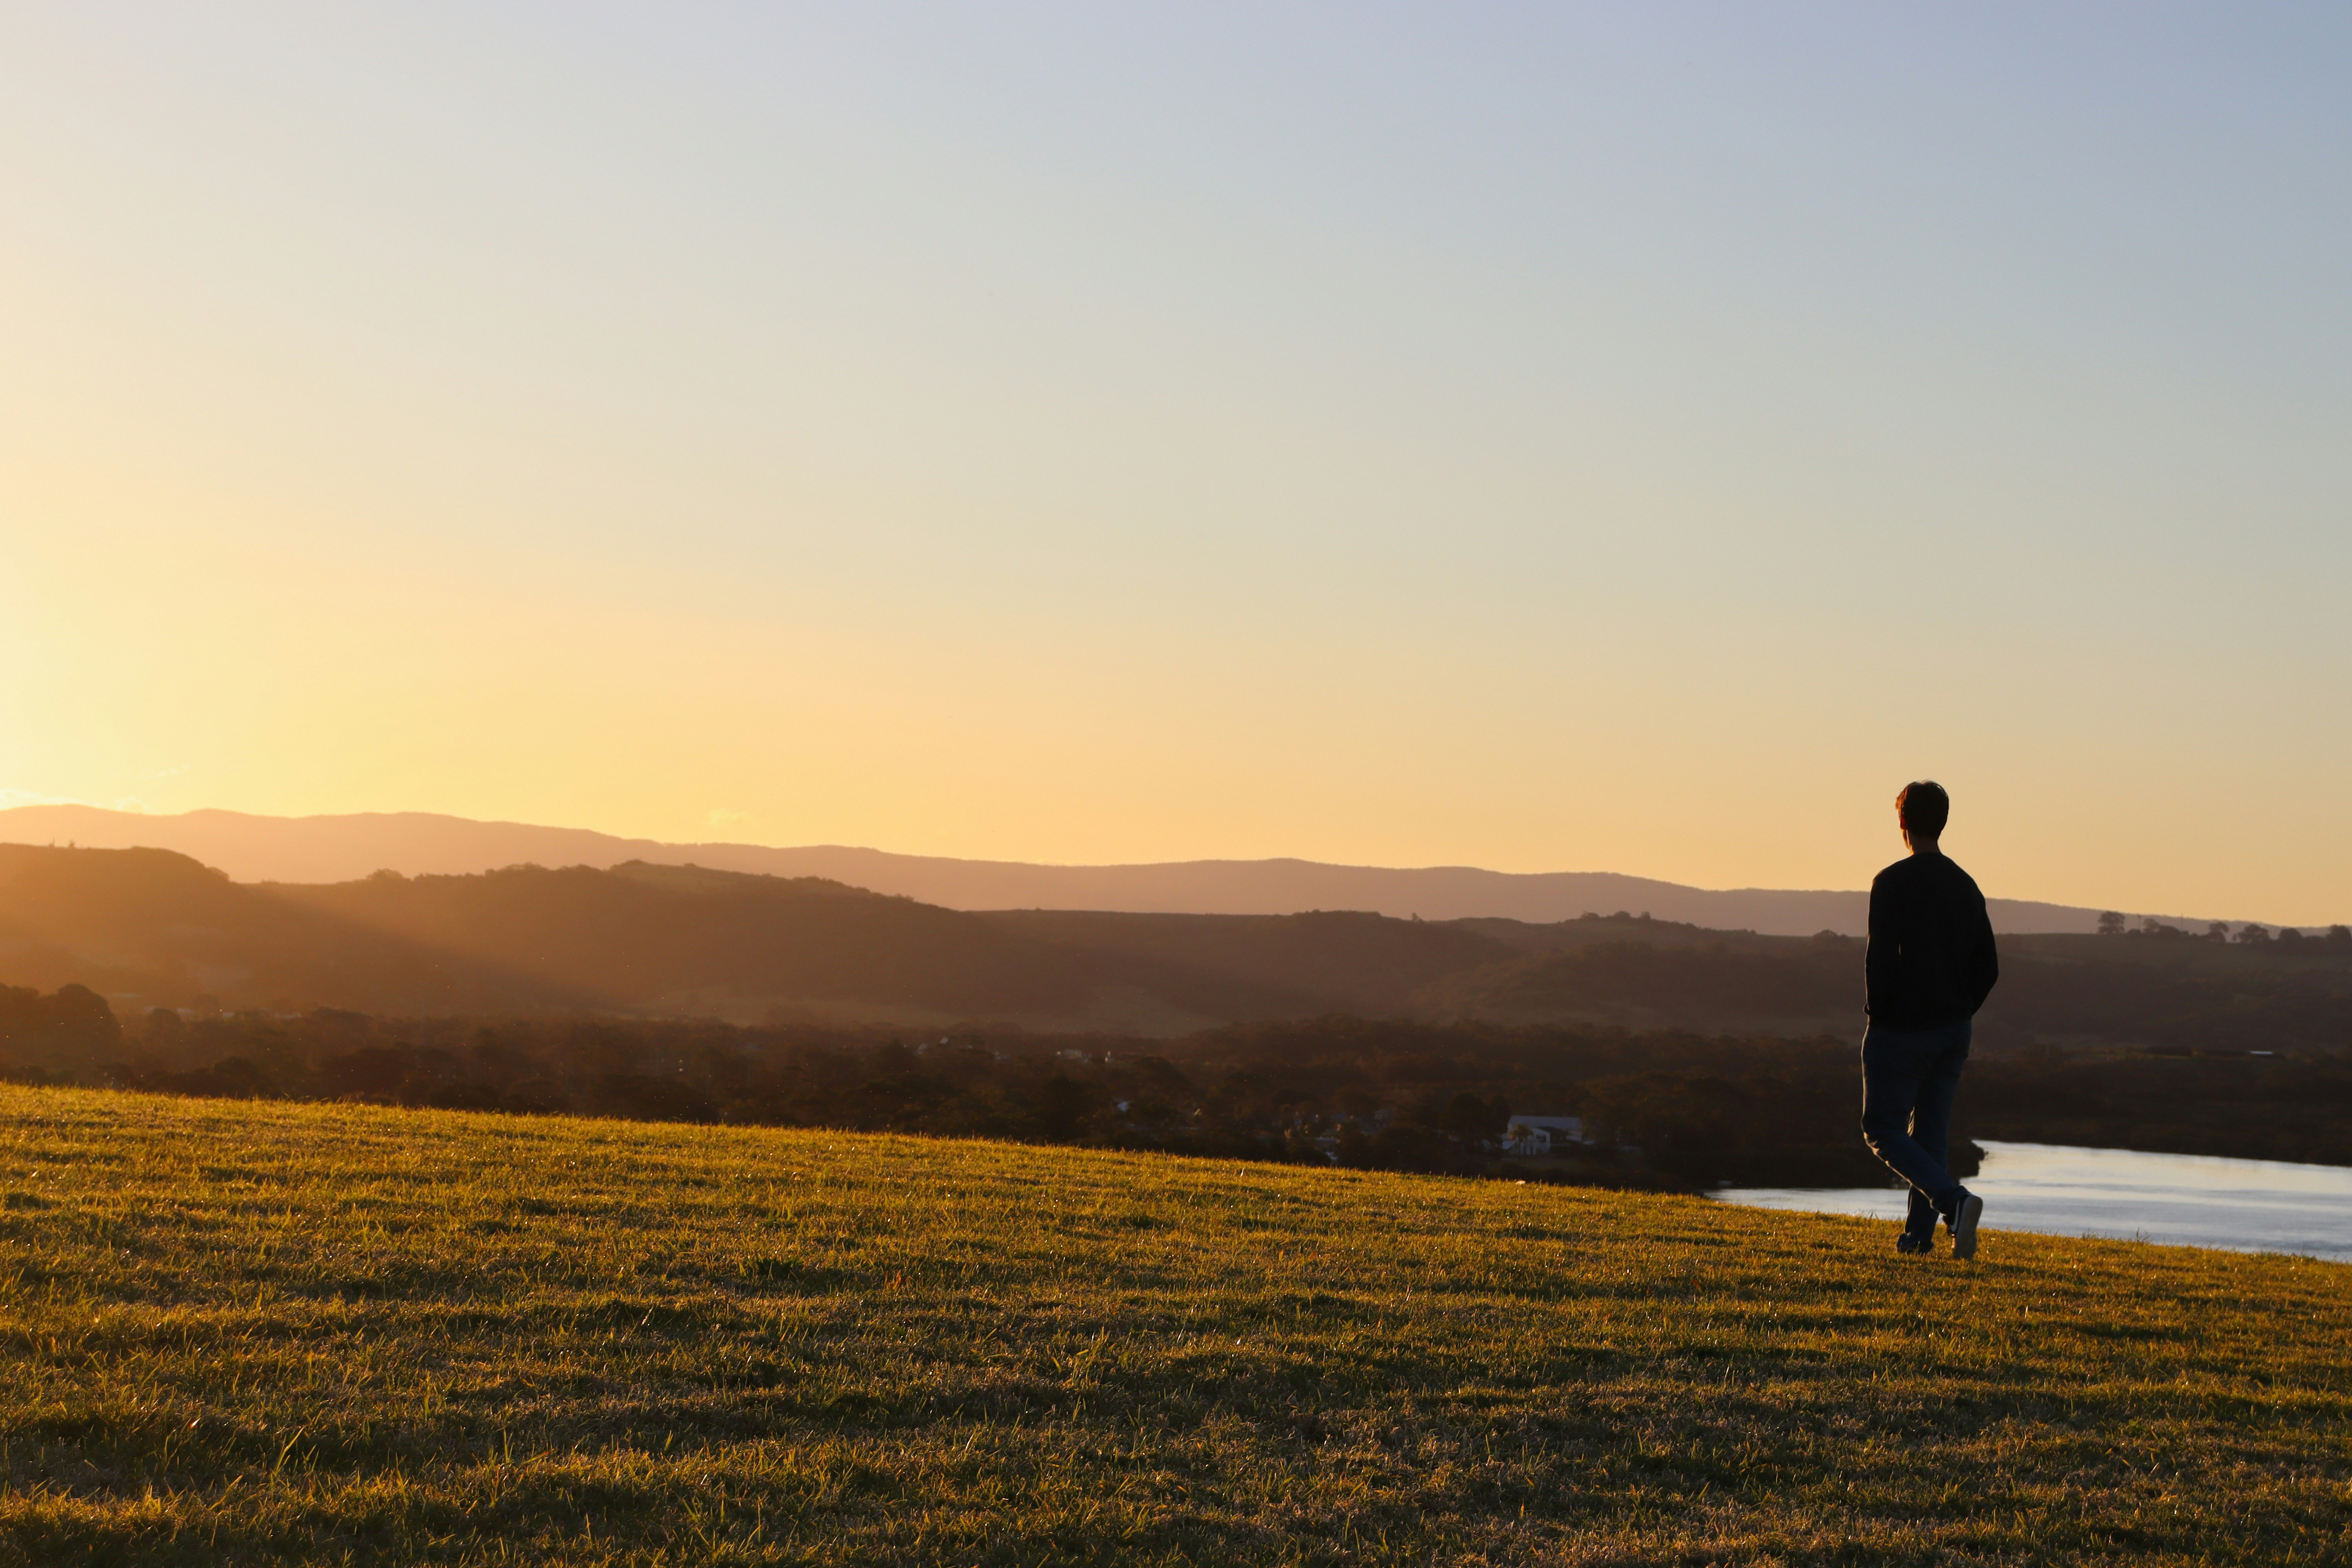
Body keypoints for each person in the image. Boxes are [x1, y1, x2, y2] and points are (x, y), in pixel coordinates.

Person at [1862, 780, 2000, 1258]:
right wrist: (1959, 1009)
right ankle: (1918, 1238)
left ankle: (1955, 1202)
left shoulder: (1892, 882)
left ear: (1902, 822)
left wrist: (1881, 1017)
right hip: (1953, 1029)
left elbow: (1881, 962)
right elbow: (1989, 968)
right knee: (1931, 1138)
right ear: (1942, 822)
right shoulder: (1966, 886)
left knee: (1882, 1129)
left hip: (1901, 1029)